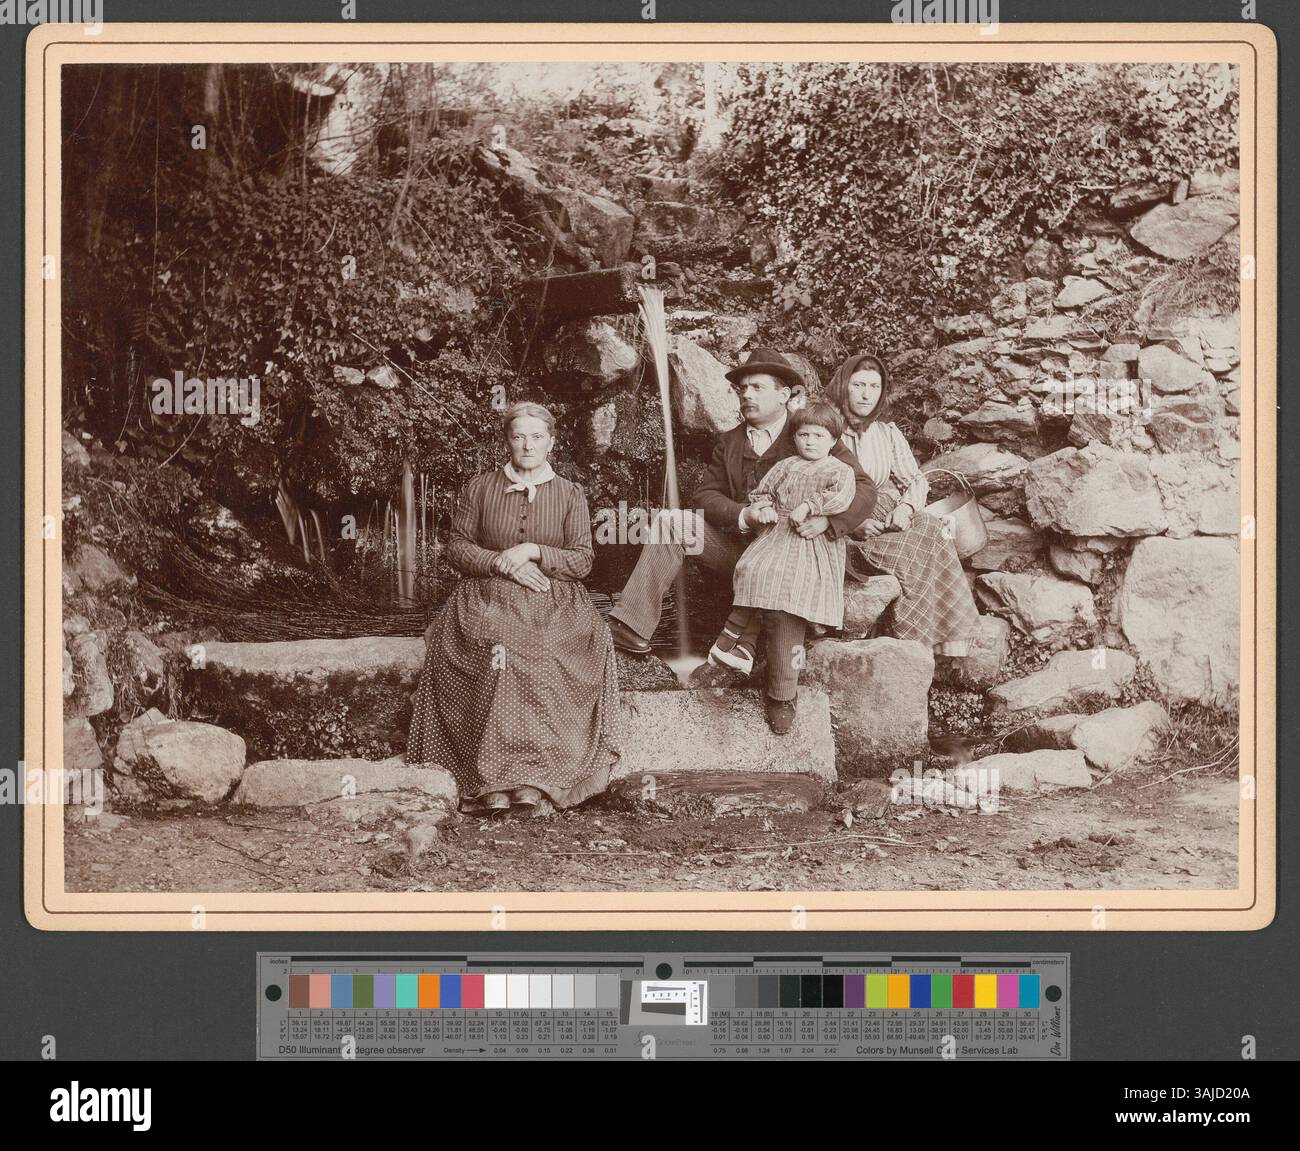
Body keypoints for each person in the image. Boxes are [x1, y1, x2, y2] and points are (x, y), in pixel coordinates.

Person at [607, 347, 877, 733]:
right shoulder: (731, 440)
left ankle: (783, 691)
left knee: (782, 588)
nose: (746, 395)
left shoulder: (812, 431)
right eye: (742, 389)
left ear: (784, 394)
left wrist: (828, 523)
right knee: (672, 521)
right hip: (741, 547)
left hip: (798, 550)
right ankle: (631, 626)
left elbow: (863, 488)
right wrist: (744, 514)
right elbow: (704, 497)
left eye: (756, 387)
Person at [406, 402, 620, 815]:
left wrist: (533, 552)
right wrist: (498, 563)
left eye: (537, 437)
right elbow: (457, 547)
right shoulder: (479, 487)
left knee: (545, 647)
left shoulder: (570, 493)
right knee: (499, 646)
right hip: (487, 595)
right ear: (507, 441)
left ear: (551, 442)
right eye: (518, 436)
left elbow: (582, 559)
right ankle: (492, 781)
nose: (527, 445)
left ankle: (537, 778)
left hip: (554, 597)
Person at [708, 400, 857, 729]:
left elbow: (843, 496)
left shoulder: (839, 469)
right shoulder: (786, 464)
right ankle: (739, 643)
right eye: (804, 435)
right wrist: (762, 509)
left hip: (812, 542)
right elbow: (764, 492)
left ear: (833, 439)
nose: (810, 442)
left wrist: (812, 507)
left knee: (787, 590)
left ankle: (781, 693)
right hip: (776, 536)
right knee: (753, 567)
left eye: (818, 436)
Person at [828, 351, 981, 656]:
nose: (866, 394)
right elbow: (816, 486)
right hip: (848, 531)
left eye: (874, 387)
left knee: (934, 529)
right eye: (858, 385)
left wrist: (906, 508)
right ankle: (913, 646)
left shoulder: (886, 433)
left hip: (889, 518)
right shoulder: (825, 430)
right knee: (912, 551)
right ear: (843, 386)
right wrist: (854, 522)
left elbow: (916, 480)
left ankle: (949, 644)